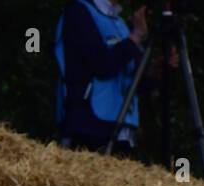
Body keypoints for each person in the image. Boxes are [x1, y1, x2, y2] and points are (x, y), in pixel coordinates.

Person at [54, 1, 173, 155]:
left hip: (122, 130)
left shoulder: (119, 23)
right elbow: (101, 65)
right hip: (88, 126)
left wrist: (155, 73)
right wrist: (135, 37)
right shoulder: (78, 11)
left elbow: (130, 83)